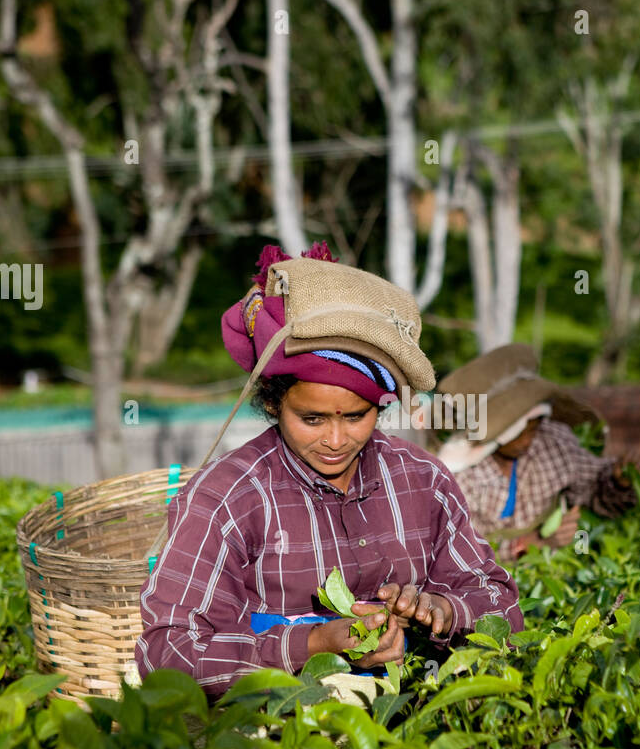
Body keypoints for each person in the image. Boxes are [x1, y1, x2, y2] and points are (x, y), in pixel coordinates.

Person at [135, 244, 524, 701]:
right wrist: (312, 645)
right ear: (274, 403)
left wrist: (441, 610)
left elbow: (502, 604)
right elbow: (168, 653)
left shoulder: (424, 480)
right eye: (313, 420)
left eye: (356, 416)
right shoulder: (227, 497)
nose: (336, 441)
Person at [435, 343, 638, 561]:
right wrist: (534, 544)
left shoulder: (553, 442)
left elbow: (595, 490)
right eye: (520, 432)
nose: (528, 440)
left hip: (558, 564)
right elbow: (457, 550)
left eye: (534, 428)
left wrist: (617, 482)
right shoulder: (461, 473)